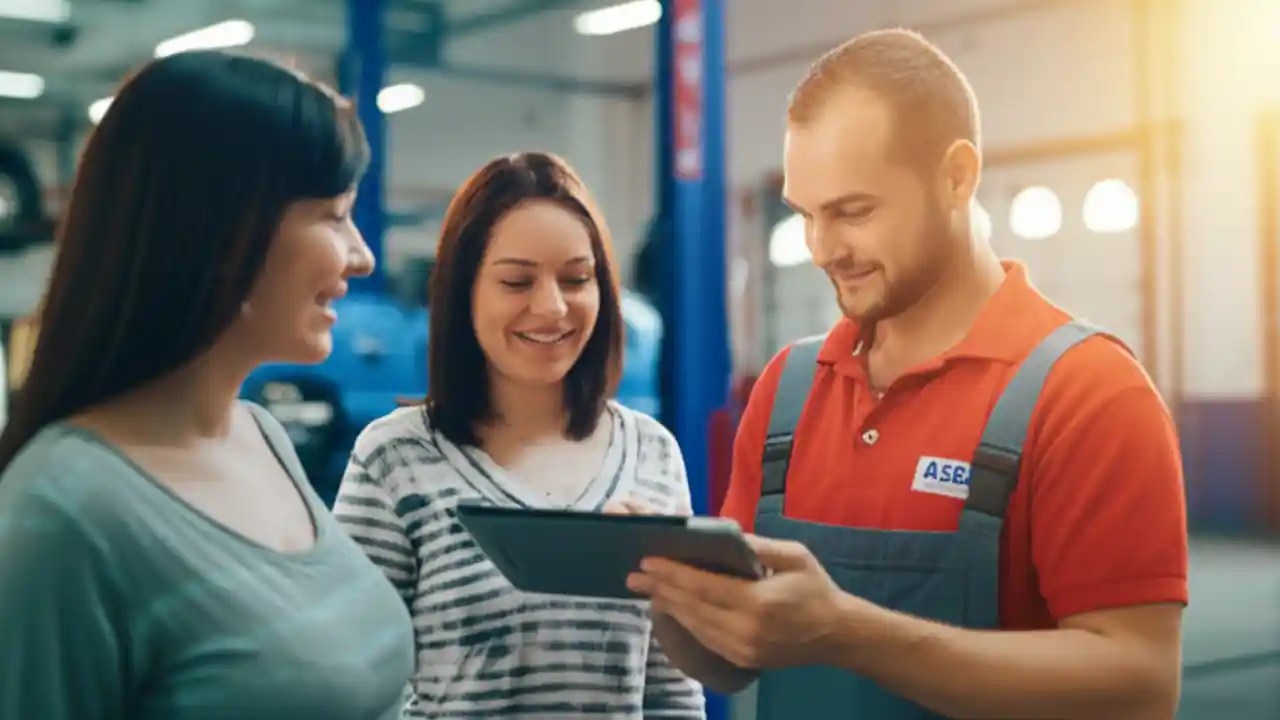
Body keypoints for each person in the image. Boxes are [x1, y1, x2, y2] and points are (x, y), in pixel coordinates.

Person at [627, 28, 1188, 719]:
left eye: (853, 211)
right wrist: (673, 598)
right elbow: (735, 660)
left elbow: (1140, 685)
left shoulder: (1090, 393)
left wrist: (850, 632)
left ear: (957, 176)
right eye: (806, 215)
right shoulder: (789, 392)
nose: (823, 248)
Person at [0, 51, 414, 719]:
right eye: (335, 217)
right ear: (225, 232)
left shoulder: (262, 438)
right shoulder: (64, 515)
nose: (362, 256)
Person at [332, 151, 706, 719]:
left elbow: (672, 693)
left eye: (577, 279)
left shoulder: (652, 454)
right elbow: (353, 682)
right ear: (464, 293)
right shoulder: (394, 458)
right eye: (516, 281)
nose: (552, 307)